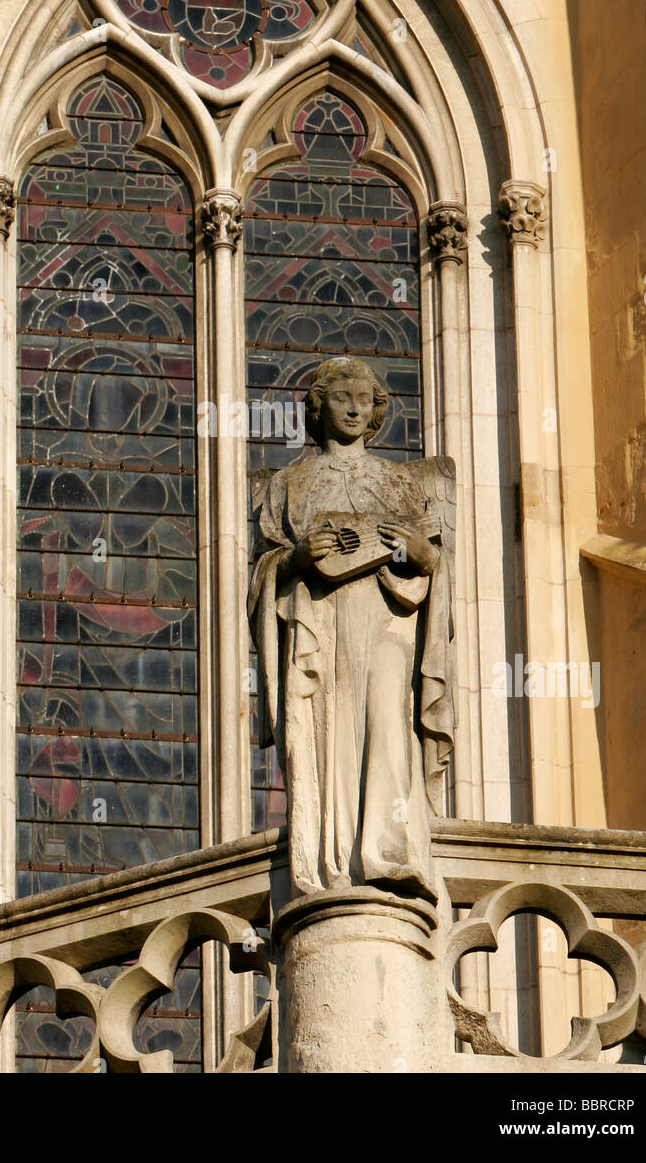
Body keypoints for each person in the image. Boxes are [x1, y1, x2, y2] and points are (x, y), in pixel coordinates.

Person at [247, 356, 453, 901]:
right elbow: (264, 571)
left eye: (366, 399)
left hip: (389, 618)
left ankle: (389, 851)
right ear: (319, 409)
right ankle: (334, 854)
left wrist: (421, 555)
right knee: (327, 731)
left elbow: (432, 562)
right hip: (320, 619)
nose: (356, 407)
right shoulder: (289, 484)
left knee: (389, 716)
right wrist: (294, 561)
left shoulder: (401, 483)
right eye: (343, 398)